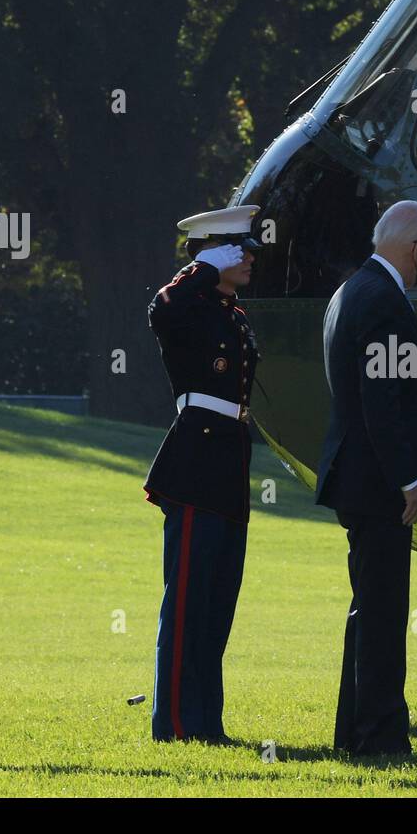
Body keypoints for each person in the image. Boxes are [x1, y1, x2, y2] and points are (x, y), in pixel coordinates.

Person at [315, 200, 417, 757]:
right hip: (378, 484)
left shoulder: (356, 289)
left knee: (368, 608)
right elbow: (380, 405)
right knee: (383, 613)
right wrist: (407, 480)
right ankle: (380, 736)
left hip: (360, 478)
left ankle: (355, 731)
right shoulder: (383, 300)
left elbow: (392, 380)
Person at [143, 204, 262, 743]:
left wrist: (213, 278)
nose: (252, 257)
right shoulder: (187, 304)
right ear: (217, 251)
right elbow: (161, 309)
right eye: (241, 248)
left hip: (229, 462)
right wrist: (202, 269)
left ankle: (205, 723)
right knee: (188, 601)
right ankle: (174, 725)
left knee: (217, 604)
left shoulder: (229, 314)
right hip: (195, 462)